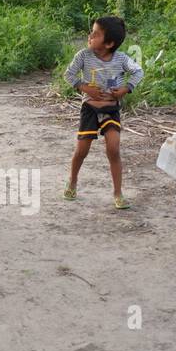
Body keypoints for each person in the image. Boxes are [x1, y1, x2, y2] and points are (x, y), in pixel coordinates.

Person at [62, 16, 144, 209]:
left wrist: (125, 89)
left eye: (96, 34)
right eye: (92, 32)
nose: (90, 35)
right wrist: (84, 88)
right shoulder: (83, 56)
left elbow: (138, 71)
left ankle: (118, 193)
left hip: (111, 109)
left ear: (109, 44)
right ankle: (72, 181)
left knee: (113, 149)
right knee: (82, 151)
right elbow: (69, 74)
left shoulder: (121, 59)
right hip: (90, 108)